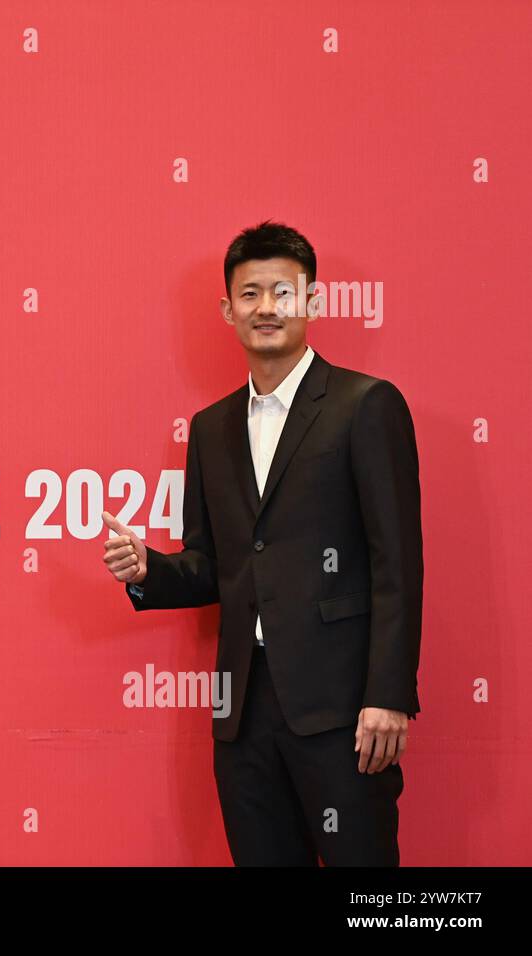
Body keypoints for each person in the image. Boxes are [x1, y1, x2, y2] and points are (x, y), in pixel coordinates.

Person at [101, 221, 422, 865]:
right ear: (228, 310)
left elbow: (398, 563)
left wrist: (388, 695)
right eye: (250, 294)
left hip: (343, 711)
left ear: (312, 302)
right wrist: (147, 570)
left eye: (282, 290)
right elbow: (211, 565)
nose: (266, 307)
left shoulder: (366, 405)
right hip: (244, 714)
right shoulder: (211, 428)